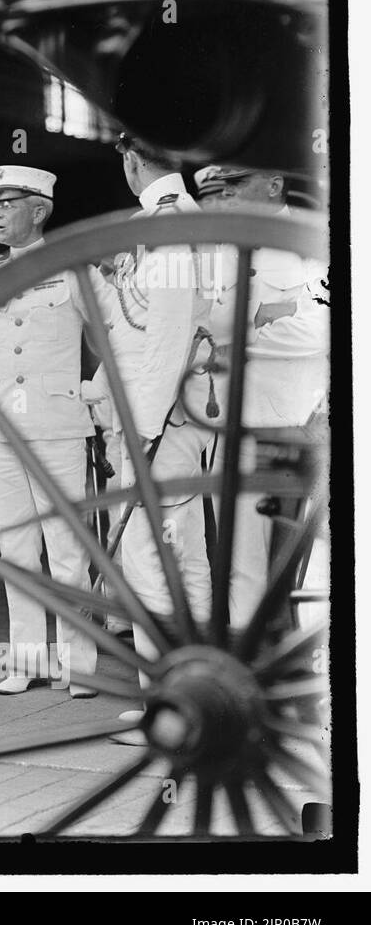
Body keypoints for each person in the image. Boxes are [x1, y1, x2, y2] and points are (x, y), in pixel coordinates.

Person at [83, 138, 215, 737]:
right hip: (161, 414)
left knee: (149, 557)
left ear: (132, 161)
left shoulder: (165, 226)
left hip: (159, 420)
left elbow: (167, 331)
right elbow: (129, 326)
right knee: (182, 554)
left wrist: (145, 426)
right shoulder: (160, 222)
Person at [0, 166, 97, 697]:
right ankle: (25, 660)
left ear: (40, 209)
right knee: (17, 545)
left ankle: (79, 662)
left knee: (66, 544)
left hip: (57, 424)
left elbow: (109, 344)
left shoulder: (73, 271)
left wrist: (92, 397)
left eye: (9, 203)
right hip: (4, 425)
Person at [194, 164, 329, 627]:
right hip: (227, 420)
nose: (225, 192)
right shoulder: (220, 248)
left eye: (236, 183)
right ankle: (247, 670)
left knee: (298, 562)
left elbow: (323, 326)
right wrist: (263, 314)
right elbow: (201, 327)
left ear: (273, 184)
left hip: (288, 420)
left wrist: (242, 341)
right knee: (238, 558)